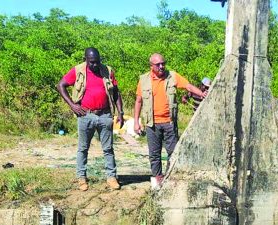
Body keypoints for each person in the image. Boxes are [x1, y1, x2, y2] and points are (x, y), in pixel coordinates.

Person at [134, 53, 208, 189]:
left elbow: (189, 87)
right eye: (158, 64)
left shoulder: (172, 76)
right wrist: (136, 122)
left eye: (163, 63)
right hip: (152, 124)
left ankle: (169, 178)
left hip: (169, 123)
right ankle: (157, 179)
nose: (162, 66)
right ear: (151, 66)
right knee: (154, 154)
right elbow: (138, 101)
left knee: (173, 152)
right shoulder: (144, 80)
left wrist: (201, 94)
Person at [57, 47, 124, 191]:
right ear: (85, 59)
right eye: (92, 62)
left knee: (108, 148)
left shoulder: (107, 70)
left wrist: (121, 112)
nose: (95, 65)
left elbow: (116, 92)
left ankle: (112, 177)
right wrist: (72, 105)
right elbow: (60, 85)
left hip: (105, 115)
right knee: (83, 148)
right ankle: (81, 178)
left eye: (97, 61)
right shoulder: (78, 71)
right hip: (85, 115)